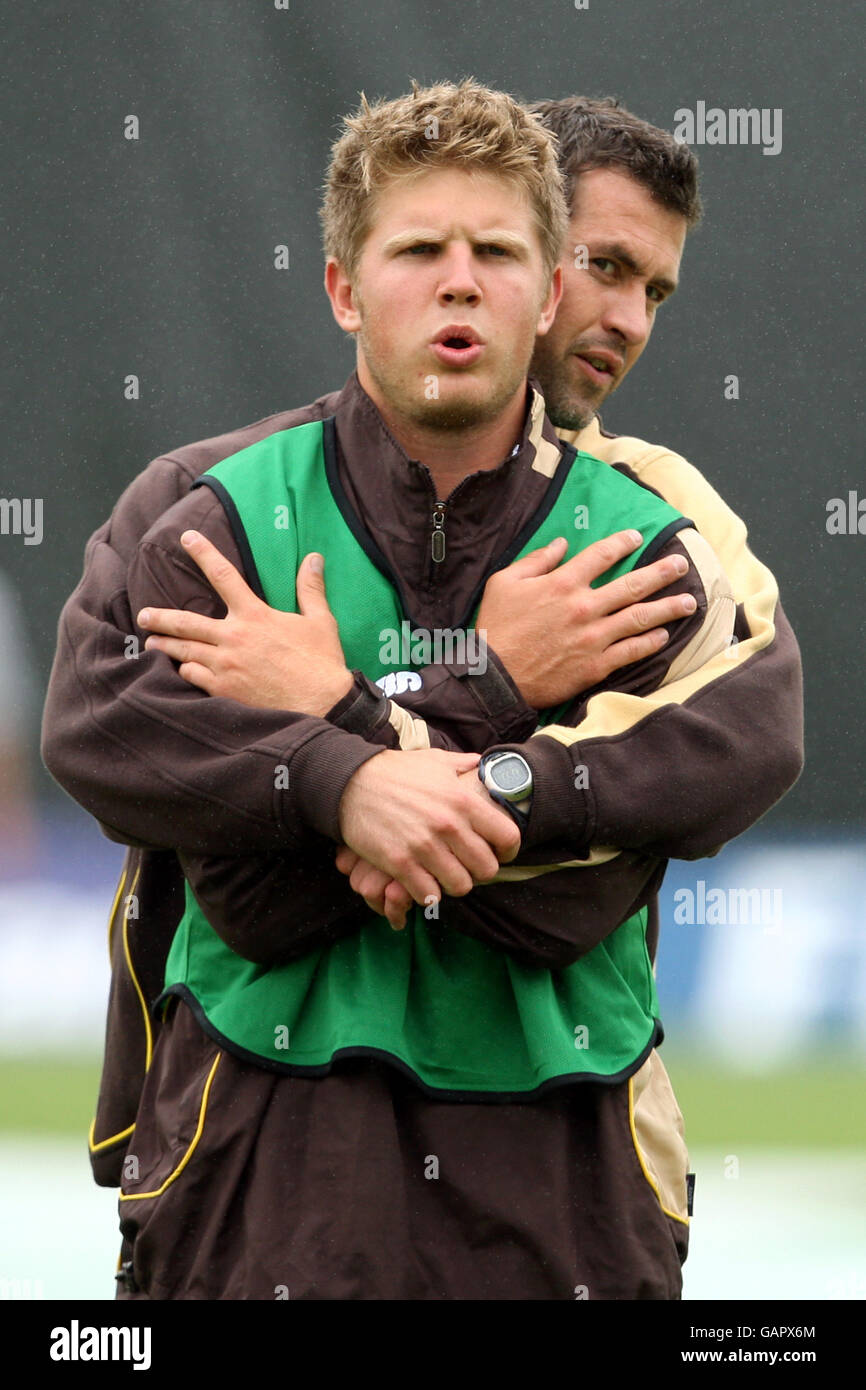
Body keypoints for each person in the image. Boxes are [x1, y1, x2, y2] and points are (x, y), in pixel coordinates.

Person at [40, 85, 802, 1300]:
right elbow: (175, 821)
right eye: (600, 263)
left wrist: (345, 732)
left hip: (565, 1189)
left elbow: (605, 868)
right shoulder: (216, 500)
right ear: (348, 284)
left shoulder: (654, 534)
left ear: (526, 281)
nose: (621, 318)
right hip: (250, 1176)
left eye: (648, 289)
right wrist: (438, 725)